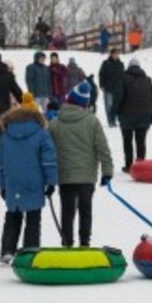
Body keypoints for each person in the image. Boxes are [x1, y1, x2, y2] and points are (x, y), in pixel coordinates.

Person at [48, 81, 113, 248]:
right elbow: (102, 149)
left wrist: (47, 176)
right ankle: (85, 243)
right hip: (86, 176)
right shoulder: (92, 121)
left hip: (65, 175)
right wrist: (107, 172)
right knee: (86, 211)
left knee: (67, 212)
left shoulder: (55, 123)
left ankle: (67, 243)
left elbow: (47, 152)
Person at [0, 94, 59, 264]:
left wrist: (2, 185)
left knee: (12, 216)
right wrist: (51, 182)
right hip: (34, 181)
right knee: (33, 218)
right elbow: (48, 160)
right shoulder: (41, 133)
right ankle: (30, 251)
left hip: (12, 182)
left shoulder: (6, 134)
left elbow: (0, 163)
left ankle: (7, 250)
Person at [118, 58, 152, 171]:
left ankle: (129, 165)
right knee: (141, 141)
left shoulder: (124, 78)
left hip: (127, 115)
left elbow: (120, 96)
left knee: (127, 141)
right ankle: (141, 166)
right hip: (144, 115)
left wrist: (117, 111)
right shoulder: (148, 80)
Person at [98, 49, 125, 128]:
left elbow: (123, 76)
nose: (116, 55)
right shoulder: (106, 63)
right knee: (109, 105)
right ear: (111, 54)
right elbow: (101, 74)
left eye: (117, 54)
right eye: (115, 54)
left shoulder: (121, 64)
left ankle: (113, 119)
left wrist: (124, 86)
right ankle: (110, 120)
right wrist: (102, 85)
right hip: (108, 87)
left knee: (116, 105)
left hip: (119, 88)